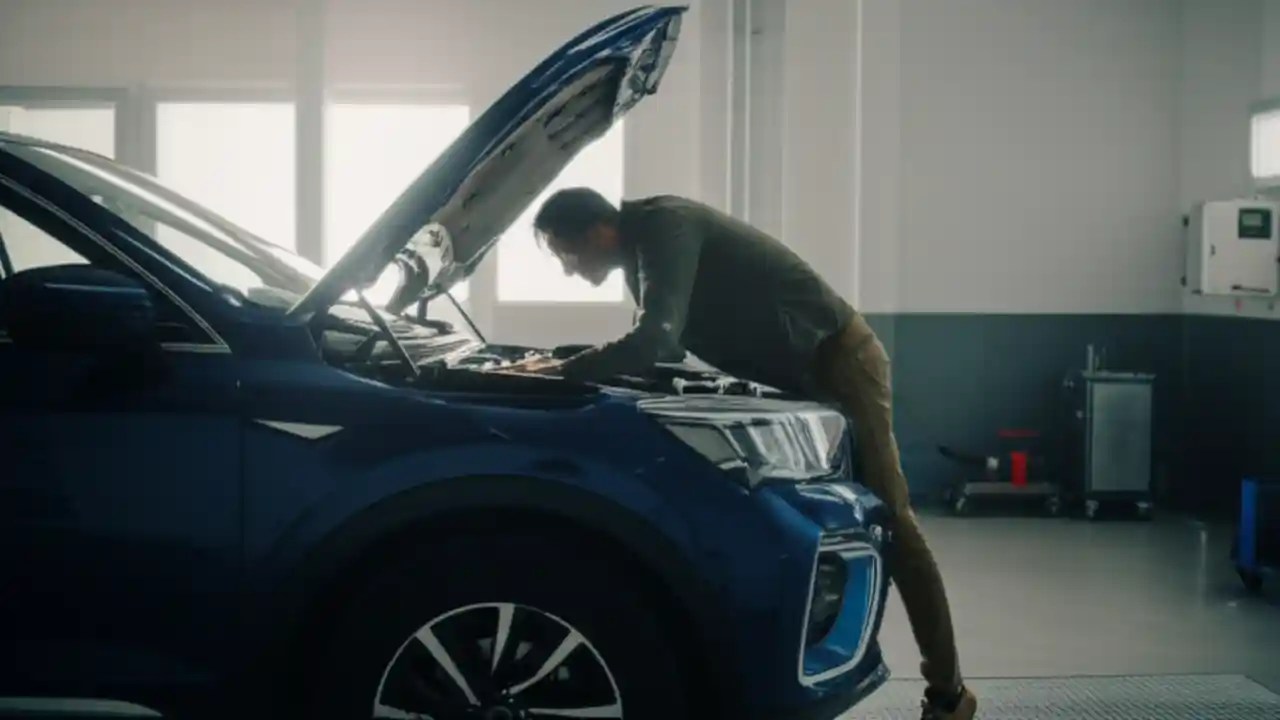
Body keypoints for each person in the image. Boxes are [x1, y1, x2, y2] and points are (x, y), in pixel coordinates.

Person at [508, 187, 977, 720]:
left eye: (565, 253)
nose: (569, 270)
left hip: (842, 361)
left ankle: (950, 695)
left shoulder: (666, 225)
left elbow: (657, 341)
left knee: (894, 521)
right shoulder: (641, 257)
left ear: (596, 230)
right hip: (800, 374)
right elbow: (664, 348)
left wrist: (558, 372)